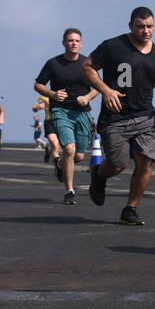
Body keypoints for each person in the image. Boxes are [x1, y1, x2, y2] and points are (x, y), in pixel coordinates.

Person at [83, 7, 155, 225]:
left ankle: (130, 209)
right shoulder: (113, 46)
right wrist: (105, 90)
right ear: (130, 26)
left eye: (150, 26)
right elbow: (87, 67)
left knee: (145, 163)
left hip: (146, 118)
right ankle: (99, 175)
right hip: (115, 118)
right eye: (140, 26)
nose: (146, 31)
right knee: (118, 164)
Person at [35, 27, 99, 204]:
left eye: (77, 40)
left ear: (81, 43)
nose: (74, 43)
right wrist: (52, 94)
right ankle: (69, 190)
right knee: (69, 149)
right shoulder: (53, 63)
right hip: (60, 111)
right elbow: (38, 85)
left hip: (82, 113)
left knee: (78, 156)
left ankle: (61, 165)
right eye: (70, 40)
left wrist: (87, 97)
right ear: (64, 43)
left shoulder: (88, 63)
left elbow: (98, 87)